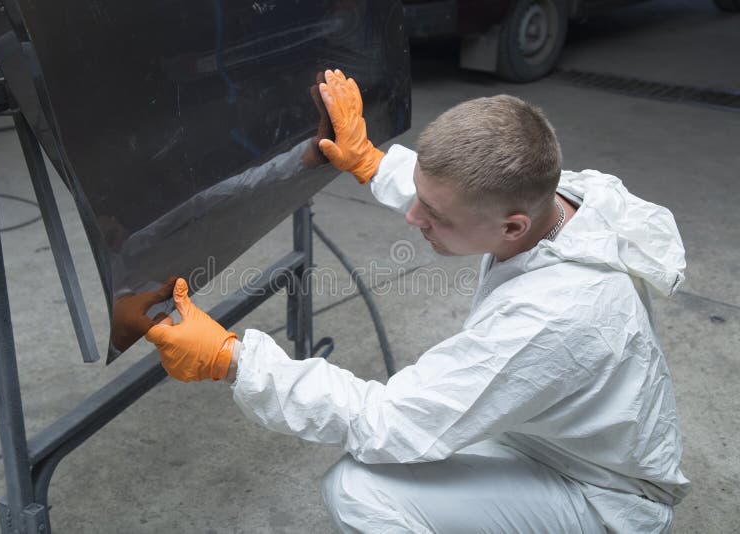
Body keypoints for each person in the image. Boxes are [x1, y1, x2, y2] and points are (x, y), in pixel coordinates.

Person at [146, 69, 690, 532]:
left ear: (513, 226)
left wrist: (236, 361)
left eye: (435, 217)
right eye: (421, 198)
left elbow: (389, 421)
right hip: (550, 437)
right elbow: (458, 192)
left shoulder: (553, 317)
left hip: (600, 494)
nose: (414, 219)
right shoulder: (564, 199)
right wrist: (370, 161)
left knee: (359, 488)